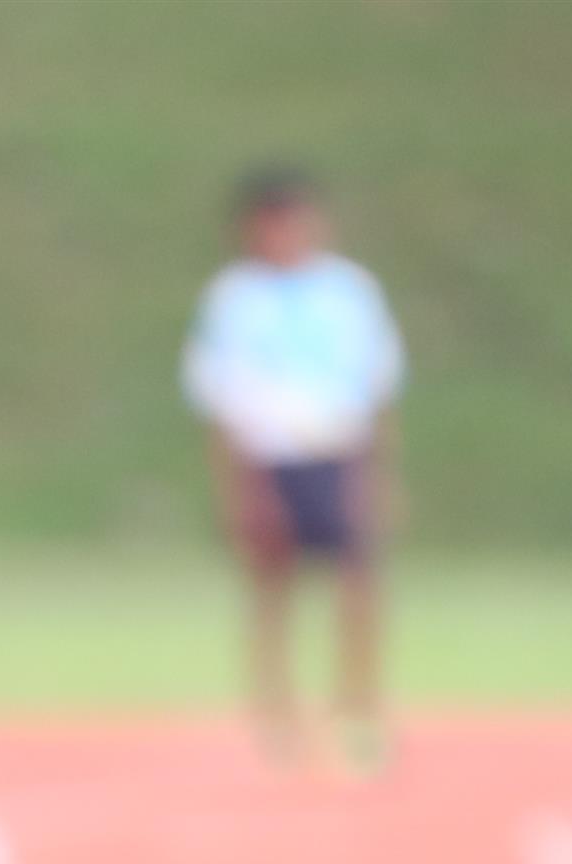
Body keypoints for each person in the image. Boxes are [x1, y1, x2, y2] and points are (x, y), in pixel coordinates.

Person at [181, 166, 403, 770]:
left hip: (338, 451)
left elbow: (379, 388)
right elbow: (219, 397)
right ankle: (277, 718)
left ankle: (356, 708)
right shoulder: (234, 298)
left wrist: (379, 473)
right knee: (271, 587)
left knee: (358, 582)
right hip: (268, 457)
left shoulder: (349, 292)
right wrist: (236, 486)